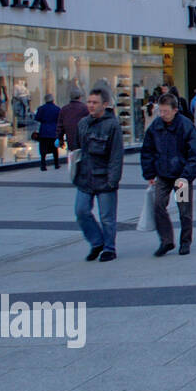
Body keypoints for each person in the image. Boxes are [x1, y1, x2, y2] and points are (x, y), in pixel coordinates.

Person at [140, 92, 196, 256]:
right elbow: (147, 150)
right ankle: (166, 240)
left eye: (165, 111)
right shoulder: (156, 126)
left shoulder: (185, 126)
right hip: (163, 174)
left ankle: (185, 241)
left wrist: (187, 175)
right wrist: (149, 173)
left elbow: (195, 154)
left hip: (181, 176)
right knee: (158, 205)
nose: (162, 114)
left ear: (175, 110)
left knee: (184, 211)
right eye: (160, 111)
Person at [72, 87, 123, 262]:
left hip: (104, 177)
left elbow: (116, 155)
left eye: (95, 103)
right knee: (81, 211)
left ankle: (109, 248)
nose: (91, 106)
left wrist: (113, 179)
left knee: (107, 217)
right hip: (85, 176)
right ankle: (97, 242)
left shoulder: (112, 125)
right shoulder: (83, 124)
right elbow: (78, 150)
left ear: (105, 104)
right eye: (89, 102)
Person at [33, 93, 62, 171]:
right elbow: (60, 120)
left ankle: (43, 165)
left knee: (43, 150)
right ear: (53, 100)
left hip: (44, 131)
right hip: (53, 131)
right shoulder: (57, 109)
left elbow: (37, 119)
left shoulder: (41, 108)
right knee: (55, 149)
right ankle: (56, 164)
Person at [58, 88, 90, 153]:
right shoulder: (85, 108)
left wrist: (60, 139)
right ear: (80, 97)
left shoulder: (64, 109)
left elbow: (60, 127)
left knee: (73, 158)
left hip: (70, 140)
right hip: (84, 140)